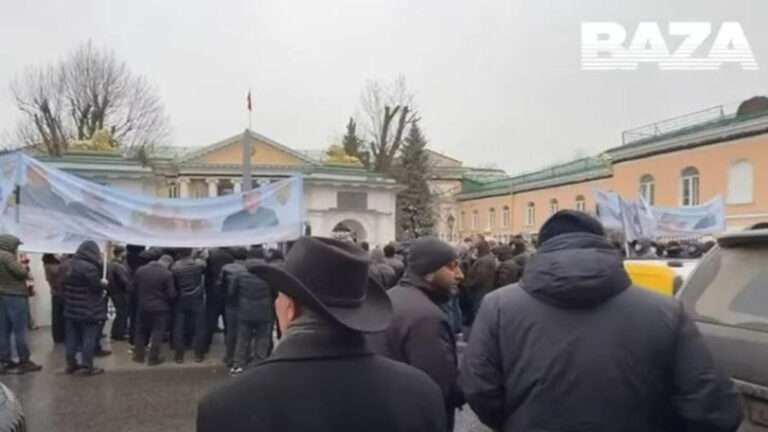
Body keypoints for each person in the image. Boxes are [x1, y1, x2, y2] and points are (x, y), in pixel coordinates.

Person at [460, 210, 743, 432]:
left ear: (541, 248)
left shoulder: (498, 306)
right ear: (602, 243)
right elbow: (714, 406)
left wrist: (519, 421)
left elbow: (479, 388)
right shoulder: (664, 310)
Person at [197, 237, 446, 432]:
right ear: (361, 310)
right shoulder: (420, 393)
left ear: (290, 310)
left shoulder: (226, 405)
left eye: (279, 297)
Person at [369, 237, 465, 431]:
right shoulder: (426, 318)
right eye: (451, 267)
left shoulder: (390, 298)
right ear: (429, 273)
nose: (460, 274)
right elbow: (440, 385)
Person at [62, 240, 108, 376]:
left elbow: (62, 285)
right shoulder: (90, 268)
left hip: (71, 308)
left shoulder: (68, 265)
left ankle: (71, 364)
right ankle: (87, 366)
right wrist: (103, 283)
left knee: (71, 338)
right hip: (88, 309)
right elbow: (96, 286)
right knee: (89, 337)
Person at [0, 234, 42, 374]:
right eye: (16, 245)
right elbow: (21, 272)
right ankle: (24, 361)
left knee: (3, 330)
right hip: (15, 296)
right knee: (20, 330)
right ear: (9, 244)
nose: (16, 248)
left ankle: (4, 361)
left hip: (1, 296)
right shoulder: (7, 256)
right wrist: (25, 268)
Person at [230, 247, 274, 375]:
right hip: (265, 310)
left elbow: (231, 292)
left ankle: (238, 365)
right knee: (263, 338)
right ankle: (259, 366)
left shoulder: (240, 273)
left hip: (245, 310)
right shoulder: (270, 273)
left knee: (243, 338)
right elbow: (275, 292)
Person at [133, 255, 176, 365]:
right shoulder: (167, 274)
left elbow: (133, 288)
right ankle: (153, 359)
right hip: (160, 308)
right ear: (168, 263)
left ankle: (138, 356)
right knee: (157, 332)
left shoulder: (140, 270)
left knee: (140, 331)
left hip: (143, 306)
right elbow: (172, 294)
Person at [170, 248, 207, 363]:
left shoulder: (175, 267)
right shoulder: (198, 265)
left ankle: (179, 355)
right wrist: (198, 254)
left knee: (178, 326)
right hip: (197, 298)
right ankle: (198, 354)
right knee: (199, 326)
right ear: (191, 252)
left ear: (179, 253)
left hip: (181, 298)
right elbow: (205, 263)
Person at [219, 248, 247, 367]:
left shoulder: (225, 268)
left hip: (230, 303)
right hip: (244, 303)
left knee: (231, 331)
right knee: (243, 332)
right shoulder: (247, 269)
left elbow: (220, 283)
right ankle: (241, 357)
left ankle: (229, 357)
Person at [203, 247, 234, 354]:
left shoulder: (211, 257)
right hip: (226, 292)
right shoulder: (231, 257)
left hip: (213, 292)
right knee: (228, 322)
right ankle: (229, 349)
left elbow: (207, 276)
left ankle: (204, 348)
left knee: (209, 321)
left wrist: (208, 290)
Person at [465, 240, 497, 323]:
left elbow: (480, 277)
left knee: (478, 311)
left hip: (480, 291)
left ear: (480, 249)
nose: (474, 251)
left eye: (476, 249)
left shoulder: (483, 261)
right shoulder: (489, 258)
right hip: (486, 288)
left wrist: (469, 284)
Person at [107, 246, 132, 341]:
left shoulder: (111, 263)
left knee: (120, 312)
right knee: (122, 313)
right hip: (120, 292)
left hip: (114, 291)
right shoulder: (118, 265)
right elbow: (123, 280)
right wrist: (129, 286)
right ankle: (118, 333)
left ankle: (117, 332)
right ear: (121, 253)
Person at [43, 253, 66, 343]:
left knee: (56, 316)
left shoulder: (46, 265)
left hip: (55, 293)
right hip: (63, 293)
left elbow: (49, 279)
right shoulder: (58, 266)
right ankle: (63, 335)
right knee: (63, 316)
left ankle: (57, 337)